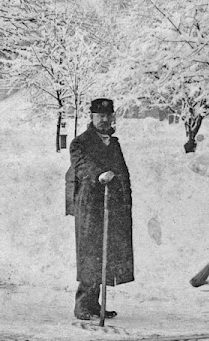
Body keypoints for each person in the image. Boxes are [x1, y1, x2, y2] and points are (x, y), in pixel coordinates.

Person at [67, 97, 134, 321]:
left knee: (106, 253)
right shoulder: (80, 142)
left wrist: (125, 198)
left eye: (108, 116)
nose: (104, 120)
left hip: (111, 203)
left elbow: (122, 171)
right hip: (89, 204)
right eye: (100, 116)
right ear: (92, 117)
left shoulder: (113, 143)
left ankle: (94, 304)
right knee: (90, 253)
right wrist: (98, 175)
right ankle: (82, 304)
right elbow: (81, 165)